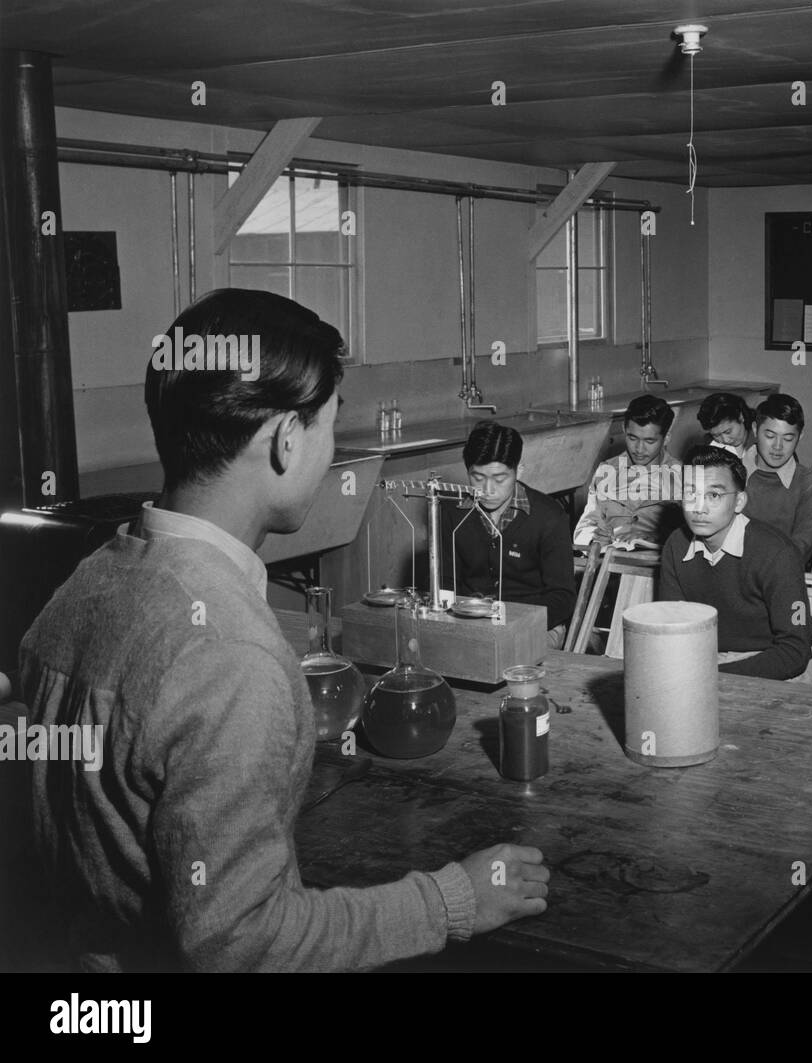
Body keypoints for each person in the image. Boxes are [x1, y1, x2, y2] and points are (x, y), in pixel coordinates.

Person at [18, 290, 549, 972]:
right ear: (285, 441)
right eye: (329, 425)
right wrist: (450, 899)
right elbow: (239, 944)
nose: (330, 451)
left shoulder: (85, 581)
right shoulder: (230, 652)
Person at [658, 446, 812, 680]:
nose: (699, 508)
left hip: (772, 665)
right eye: (691, 494)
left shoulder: (777, 553)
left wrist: (711, 676)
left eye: (714, 495)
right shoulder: (677, 544)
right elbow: (671, 631)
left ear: (739, 501)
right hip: (704, 661)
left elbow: (795, 652)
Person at [452, 422, 577, 648]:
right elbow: (445, 584)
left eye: (500, 479)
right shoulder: (452, 514)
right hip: (472, 623)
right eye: (478, 478)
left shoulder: (548, 517)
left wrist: (514, 622)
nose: (488, 489)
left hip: (535, 625)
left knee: (509, 656)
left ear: (519, 471)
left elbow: (562, 597)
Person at [574, 393, 682, 549]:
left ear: (666, 438)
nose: (639, 449)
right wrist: (594, 540)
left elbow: (693, 537)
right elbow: (586, 525)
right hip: (608, 560)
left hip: (656, 565)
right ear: (624, 430)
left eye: (649, 441)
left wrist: (653, 538)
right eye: (632, 438)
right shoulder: (606, 470)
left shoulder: (683, 476)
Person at [740, 393, 812, 567]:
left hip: (777, 577)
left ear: (800, 436)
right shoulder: (731, 474)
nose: (778, 447)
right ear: (755, 430)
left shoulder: (810, 485)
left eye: (788, 438)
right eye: (770, 436)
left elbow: (800, 549)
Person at [696, 392, 755, 456]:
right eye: (716, 435)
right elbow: (690, 465)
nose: (725, 440)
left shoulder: (760, 439)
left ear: (740, 417)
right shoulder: (707, 445)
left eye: (728, 432)